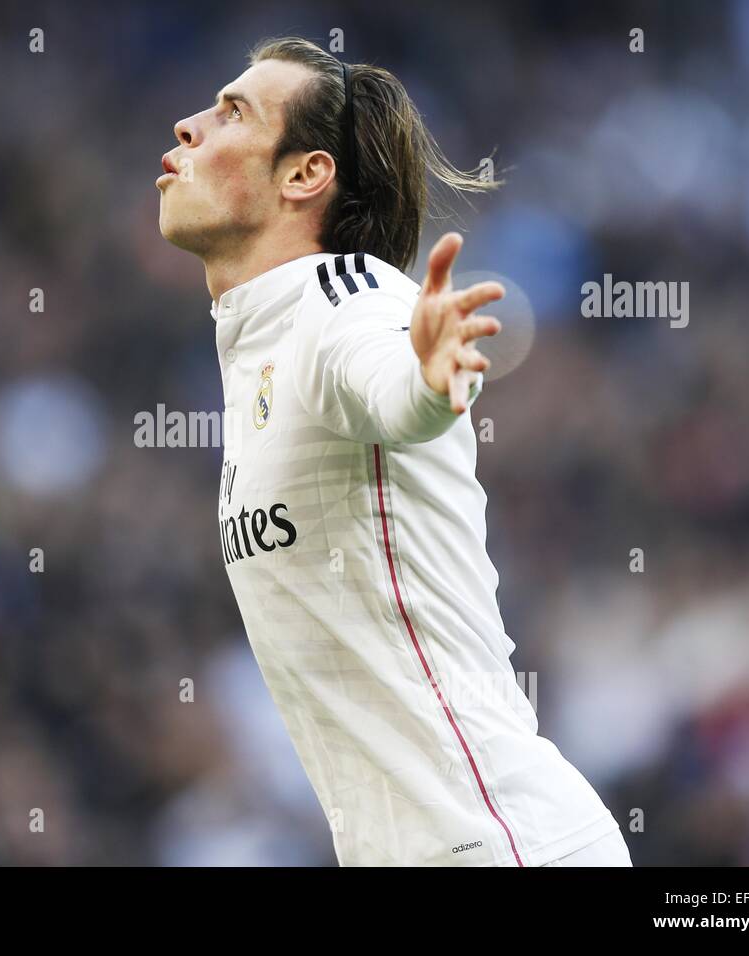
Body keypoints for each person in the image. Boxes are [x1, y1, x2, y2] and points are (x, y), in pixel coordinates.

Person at [156, 36, 630, 866]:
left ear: (304, 174)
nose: (188, 125)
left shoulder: (348, 298)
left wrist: (427, 378)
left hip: (506, 846)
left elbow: (387, 384)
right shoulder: (254, 339)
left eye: (232, 111)